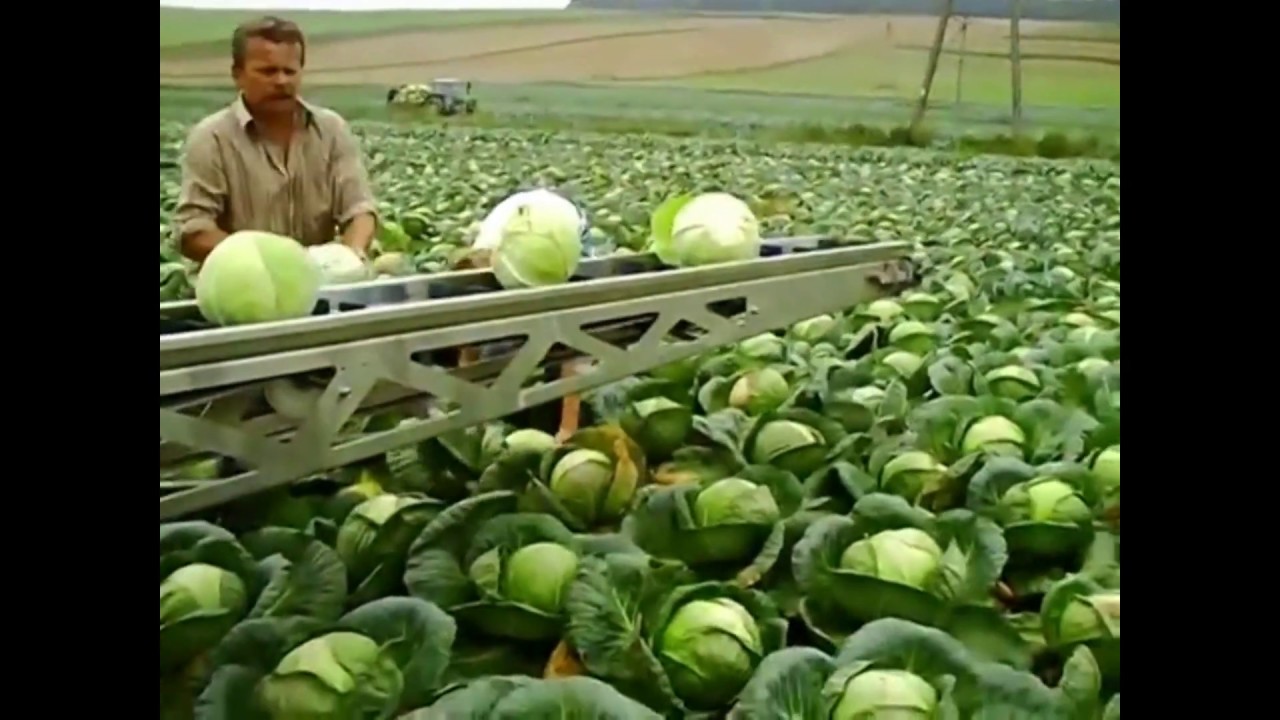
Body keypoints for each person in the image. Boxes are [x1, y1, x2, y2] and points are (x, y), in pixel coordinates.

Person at [172, 16, 378, 264]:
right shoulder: (212, 138)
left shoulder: (330, 130)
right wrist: (270, 262)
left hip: (316, 283)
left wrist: (351, 256)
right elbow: (194, 230)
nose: (281, 81)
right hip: (240, 283)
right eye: (268, 71)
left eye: (289, 71)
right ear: (238, 74)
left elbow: (359, 209)